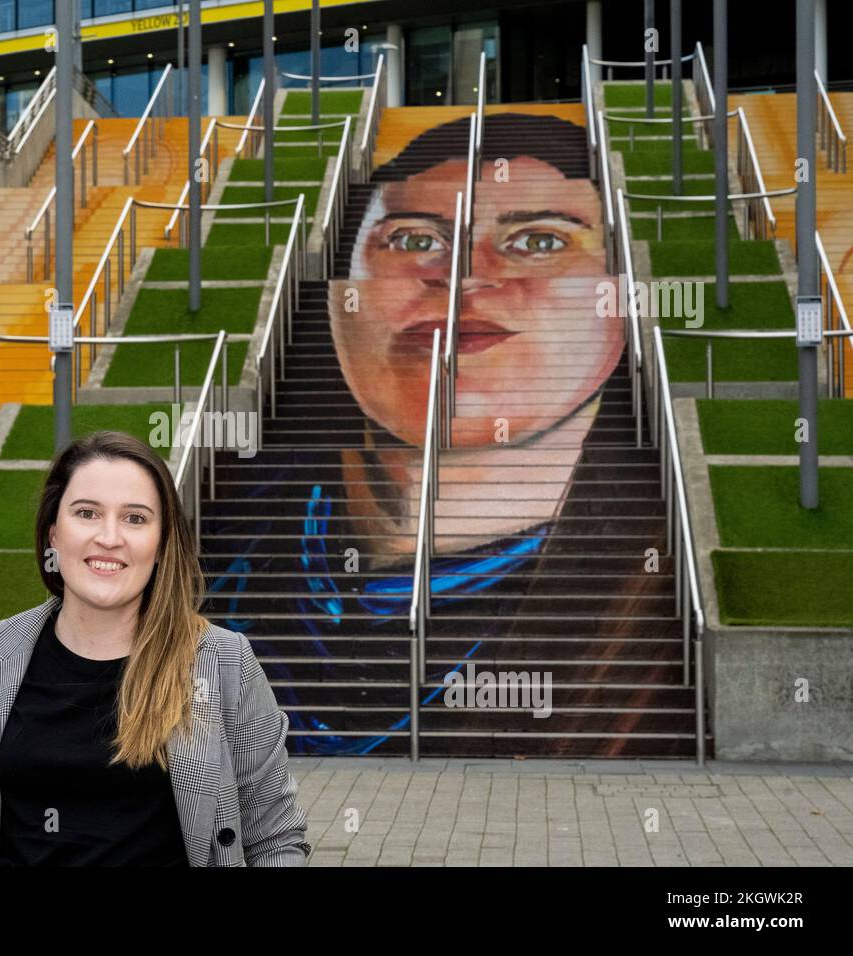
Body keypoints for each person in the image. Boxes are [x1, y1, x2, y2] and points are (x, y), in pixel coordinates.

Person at [207, 113, 664, 757]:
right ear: (337, 296)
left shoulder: (649, 597)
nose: (461, 278)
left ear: (621, 297)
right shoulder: (236, 512)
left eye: (539, 241)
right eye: (412, 239)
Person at [0, 430, 312, 865]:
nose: (109, 538)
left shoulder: (222, 664)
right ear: (54, 532)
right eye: (87, 513)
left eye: (135, 518)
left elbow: (275, 842)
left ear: (163, 542)